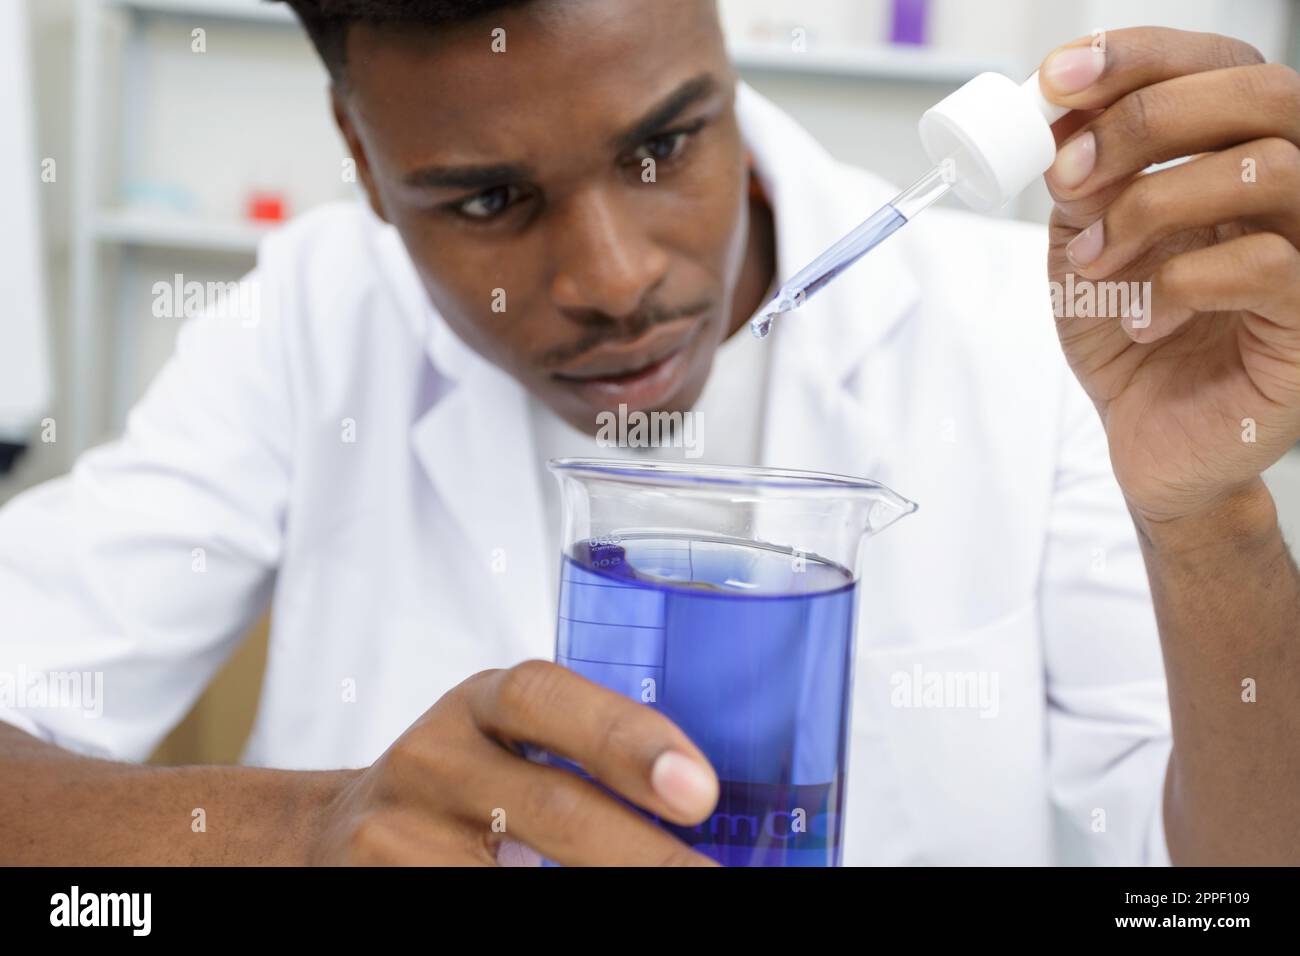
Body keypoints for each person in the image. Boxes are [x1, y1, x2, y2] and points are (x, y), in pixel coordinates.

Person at [1, 0, 1297, 866]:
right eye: (491, 199)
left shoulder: (1030, 331)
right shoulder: (314, 315)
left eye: (664, 145)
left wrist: (1210, 518)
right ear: (358, 150)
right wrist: (309, 828)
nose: (614, 279)